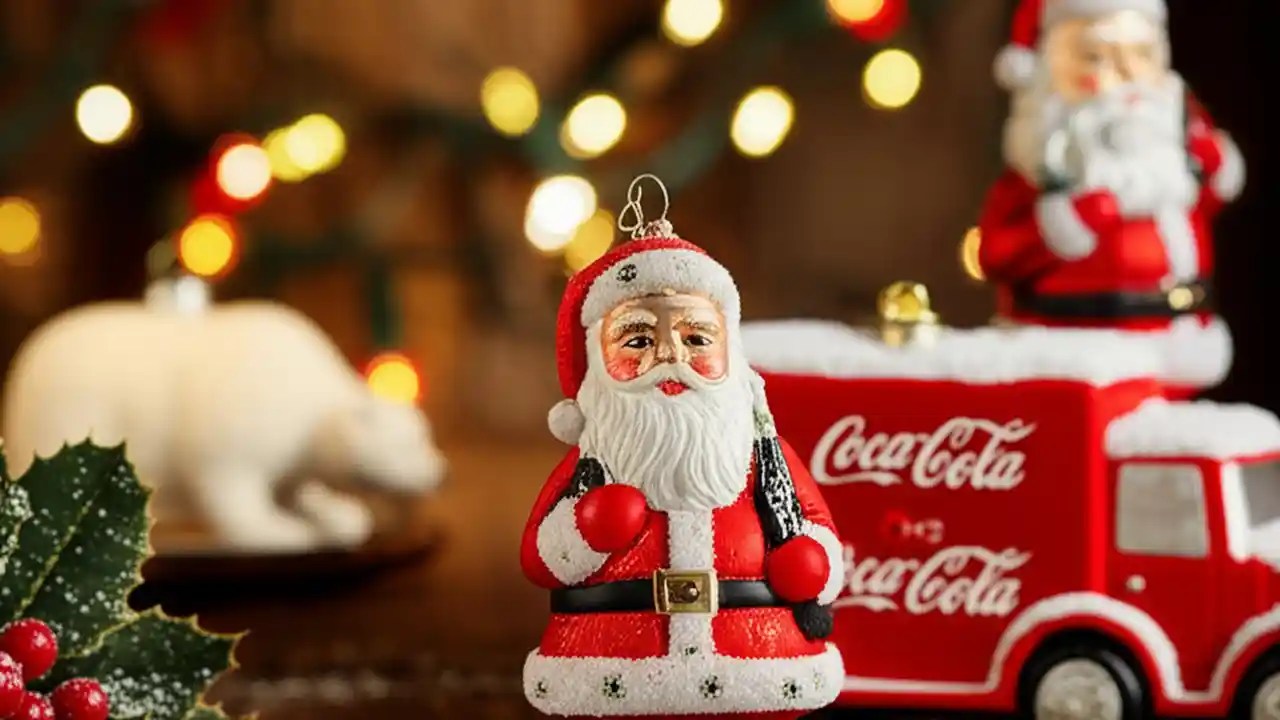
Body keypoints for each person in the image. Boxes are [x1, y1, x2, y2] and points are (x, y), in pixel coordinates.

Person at [519, 189, 844, 719]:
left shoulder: (765, 460)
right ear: (598, 363)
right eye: (637, 340)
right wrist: (585, 531)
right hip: (613, 662)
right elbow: (540, 558)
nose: (670, 354)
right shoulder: (591, 465)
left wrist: (812, 561)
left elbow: (817, 528)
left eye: (696, 338)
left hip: (756, 661)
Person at [981, 0, 1245, 396]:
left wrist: (1212, 164)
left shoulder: (1173, 152)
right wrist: (1069, 222)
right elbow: (997, 253)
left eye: (1143, 54)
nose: (1128, 74)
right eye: (1095, 57)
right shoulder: (1042, 170)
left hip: (1182, 343)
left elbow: (1205, 195)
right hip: (1074, 354)